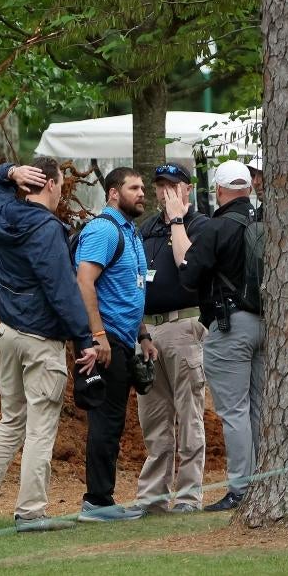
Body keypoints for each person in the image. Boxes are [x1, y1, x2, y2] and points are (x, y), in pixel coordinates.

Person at [0, 159, 98, 534]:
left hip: (9, 335)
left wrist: (8, 172)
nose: (63, 189)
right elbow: (61, 290)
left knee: (10, 421)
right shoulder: (47, 230)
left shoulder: (6, 214)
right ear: (49, 184)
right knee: (40, 427)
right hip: (40, 342)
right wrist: (84, 339)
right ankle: (31, 511)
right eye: (61, 183)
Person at [74, 167, 158, 522]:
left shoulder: (132, 233)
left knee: (113, 421)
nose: (142, 193)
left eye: (142, 188)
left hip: (124, 341)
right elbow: (84, 282)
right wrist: (98, 337)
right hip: (105, 342)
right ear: (112, 193)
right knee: (106, 422)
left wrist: (143, 335)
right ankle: (97, 501)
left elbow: (131, 290)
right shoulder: (103, 230)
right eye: (133, 188)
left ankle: (101, 499)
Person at [179, 160, 263, 511]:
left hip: (231, 327)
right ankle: (264, 482)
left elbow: (189, 275)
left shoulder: (216, 228)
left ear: (219, 190)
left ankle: (241, 490)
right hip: (266, 326)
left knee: (234, 411)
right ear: (249, 187)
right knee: (259, 408)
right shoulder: (264, 222)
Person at [134, 163, 209, 514]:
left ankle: (190, 495)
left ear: (187, 189)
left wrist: (177, 219)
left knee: (189, 414)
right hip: (147, 330)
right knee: (153, 418)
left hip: (183, 326)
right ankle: (153, 497)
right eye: (160, 185)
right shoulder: (145, 228)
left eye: (172, 185)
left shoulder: (199, 224)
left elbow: (188, 265)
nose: (165, 192)